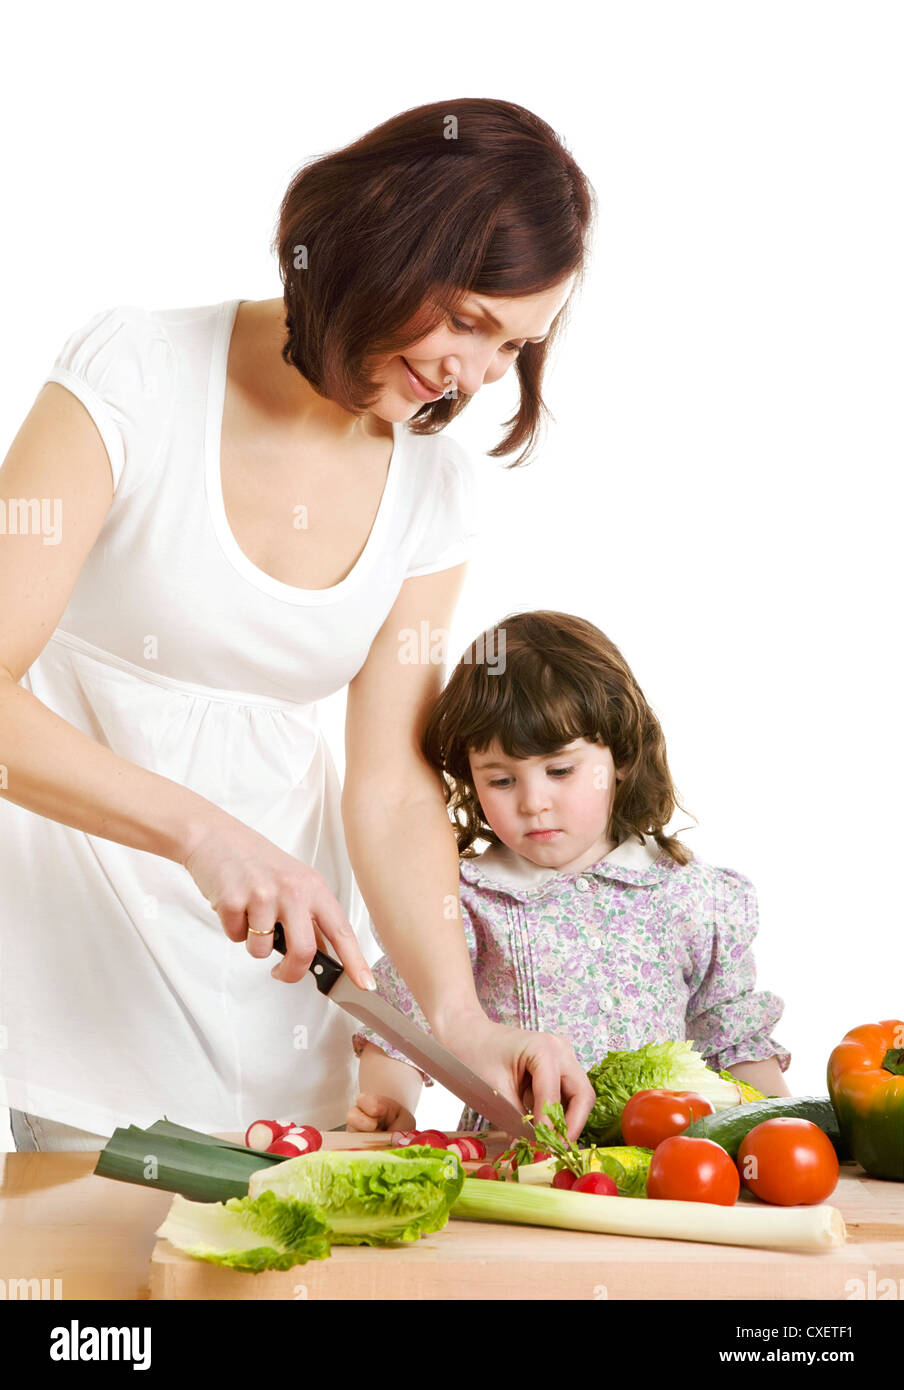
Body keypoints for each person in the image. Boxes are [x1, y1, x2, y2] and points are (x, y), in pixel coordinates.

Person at [0, 98, 601, 1151]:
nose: (474, 373)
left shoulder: (435, 491)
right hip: (85, 961)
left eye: (513, 345)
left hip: (288, 967)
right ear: (378, 243)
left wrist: (455, 1024)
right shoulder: (134, 374)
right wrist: (204, 833)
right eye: (465, 319)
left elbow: (387, 783)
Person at [348, 610, 792, 1135]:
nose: (534, 802)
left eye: (560, 770)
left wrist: (785, 1127)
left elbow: (733, 1039)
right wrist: (388, 1105)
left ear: (621, 755)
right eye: (501, 780)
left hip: (665, 1162)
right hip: (520, 1161)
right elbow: (403, 1029)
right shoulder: (458, 904)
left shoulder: (692, 897)